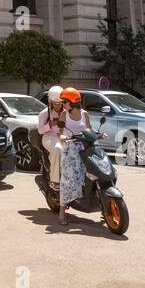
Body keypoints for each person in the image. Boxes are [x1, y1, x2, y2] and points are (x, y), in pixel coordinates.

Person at [57, 88, 89, 225]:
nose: (63, 104)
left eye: (64, 101)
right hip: (70, 150)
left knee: (91, 175)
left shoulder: (84, 114)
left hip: (85, 149)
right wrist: (62, 136)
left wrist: (99, 134)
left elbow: (89, 130)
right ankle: (62, 214)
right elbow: (59, 132)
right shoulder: (64, 115)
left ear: (72, 101)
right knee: (68, 180)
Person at [37, 87, 66, 189]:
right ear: (50, 101)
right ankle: (55, 181)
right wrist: (49, 124)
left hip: (64, 137)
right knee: (58, 148)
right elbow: (40, 130)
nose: (57, 105)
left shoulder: (66, 112)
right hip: (49, 137)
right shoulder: (44, 113)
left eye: (60, 103)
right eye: (55, 103)